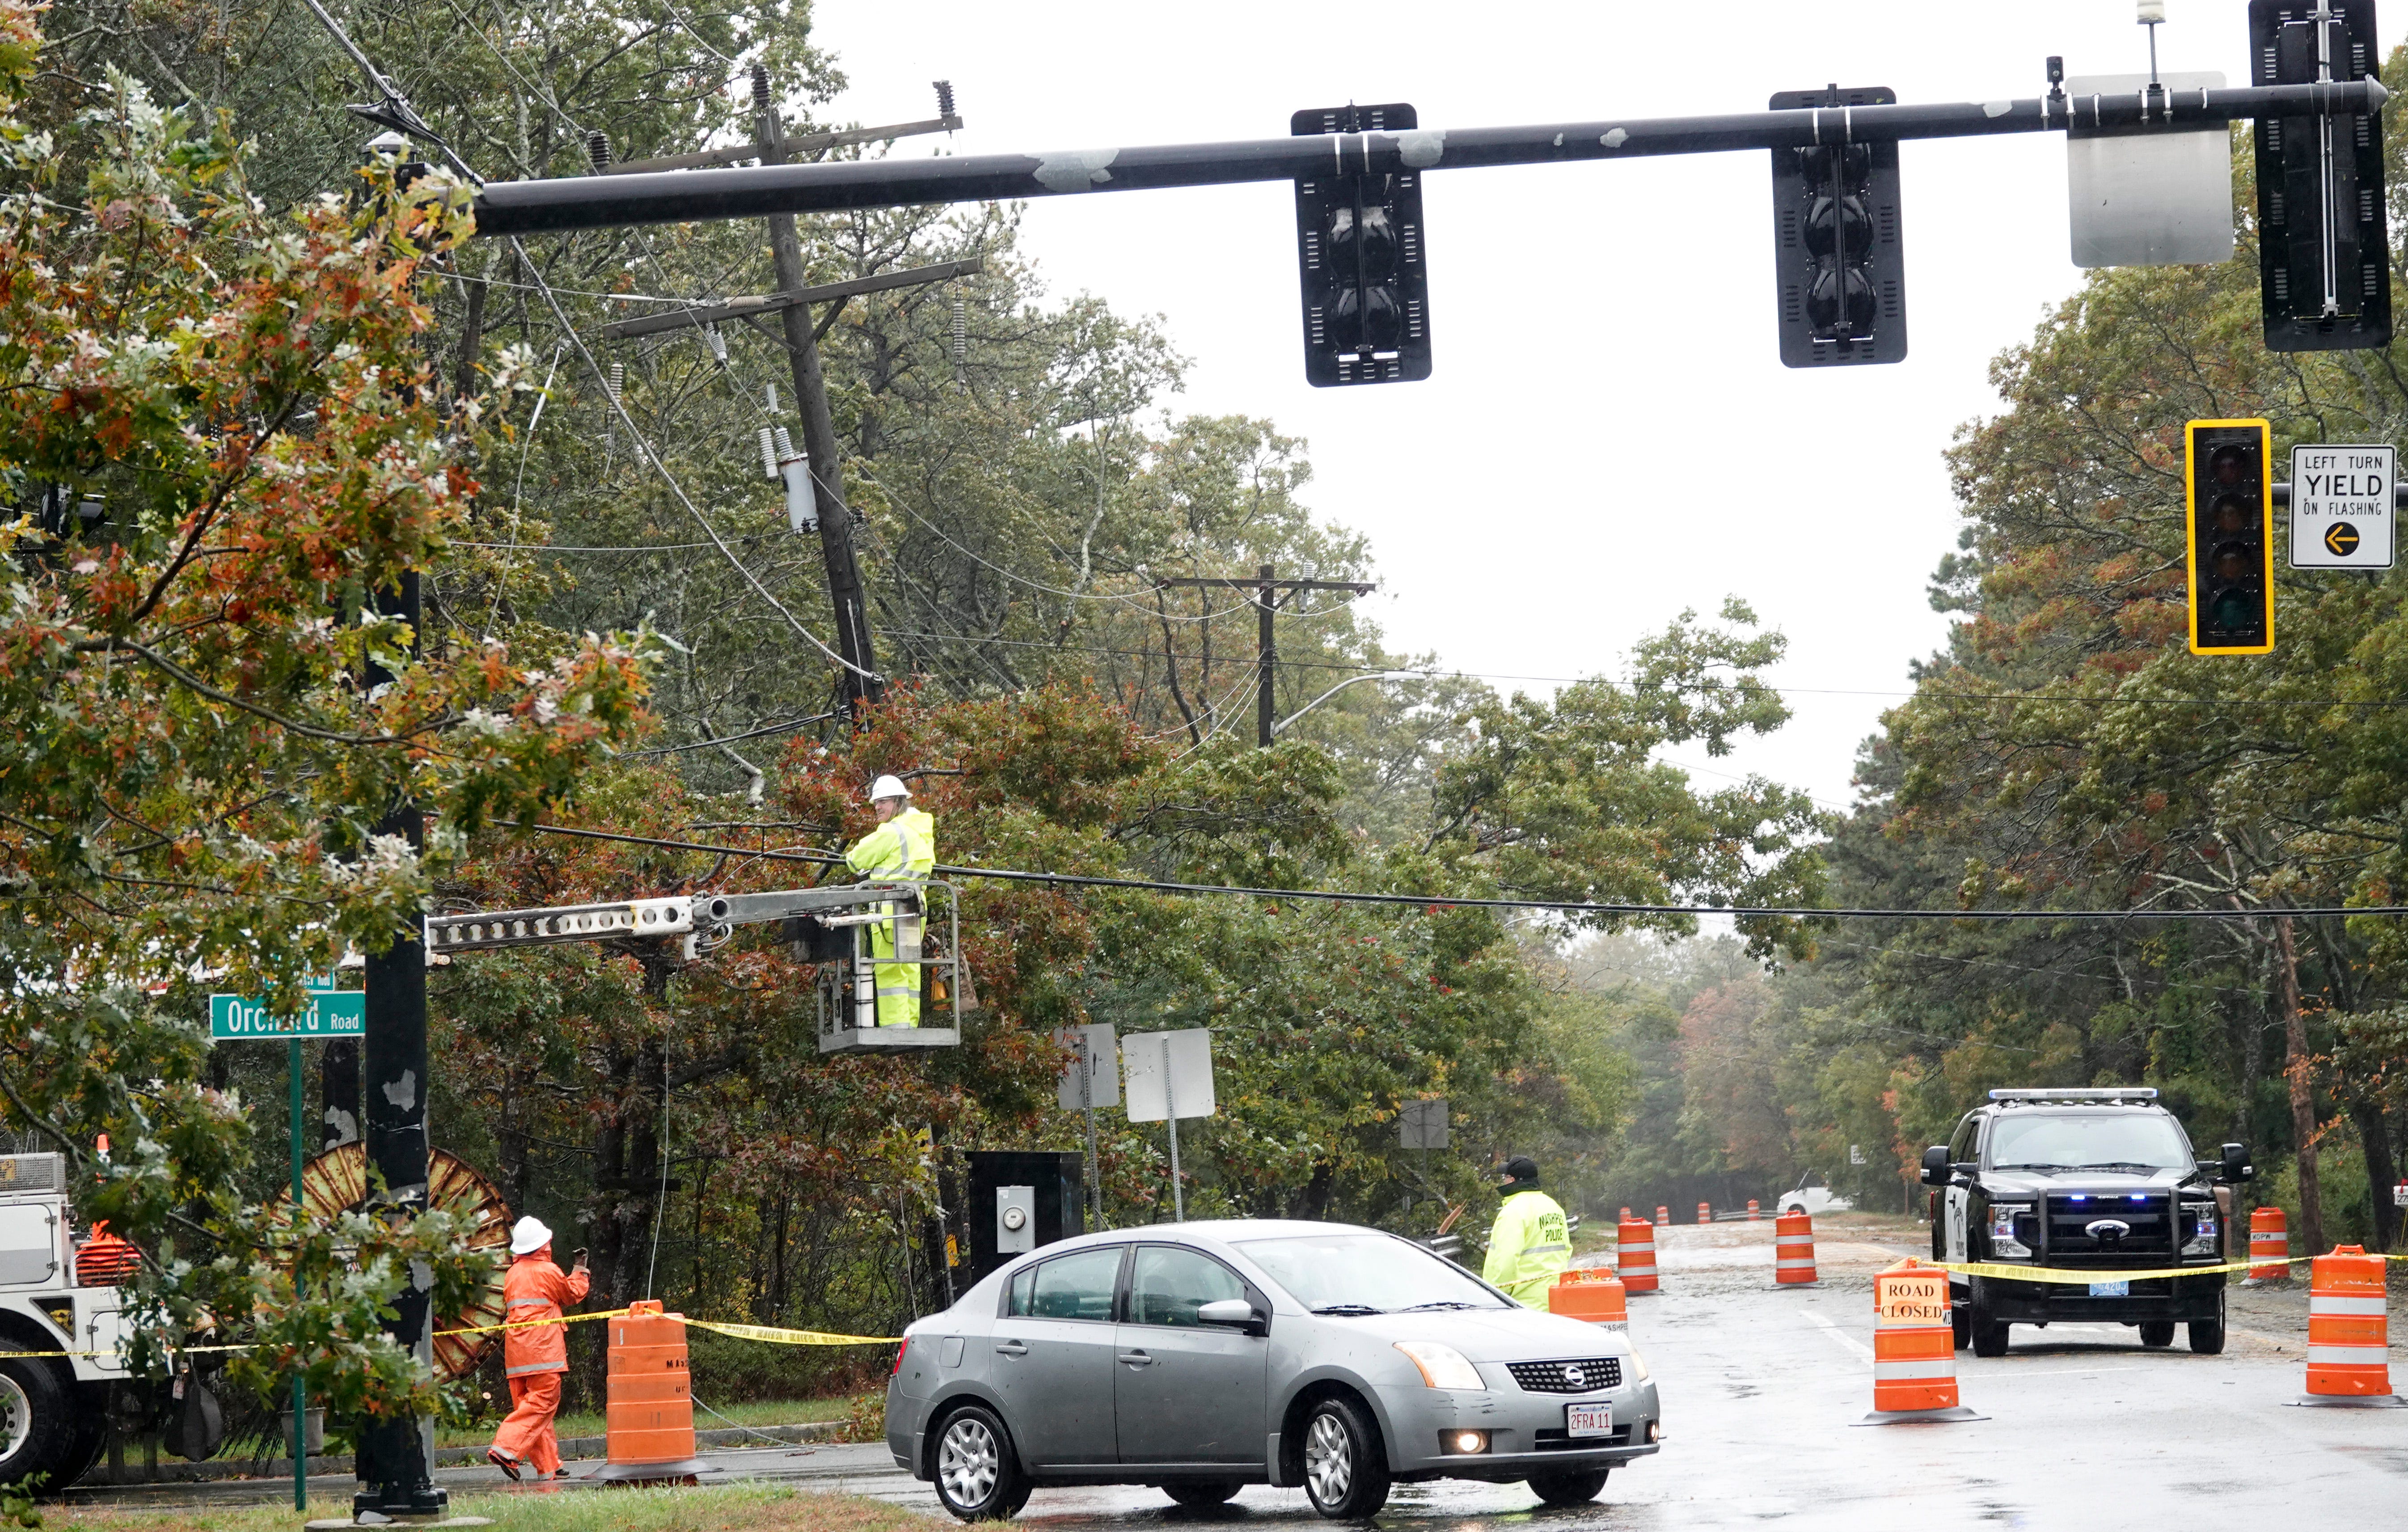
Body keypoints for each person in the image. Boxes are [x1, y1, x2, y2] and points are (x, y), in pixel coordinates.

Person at [487, 1216, 588, 1482]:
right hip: (543, 1352)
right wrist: (580, 1270)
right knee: (542, 1404)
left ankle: (549, 1467)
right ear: (542, 1245)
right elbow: (571, 1295)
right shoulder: (548, 1270)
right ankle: (506, 1449)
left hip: (517, 1355)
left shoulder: (512, 1274)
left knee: (533, 1410)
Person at [843, 774, 936, 1028]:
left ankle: (896, 1027)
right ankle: (910, 1024)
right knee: (909, 967)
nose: (878, 808)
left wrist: (854, 859)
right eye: (876, 804)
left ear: (898, 802)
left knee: (888, 968)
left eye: (883, 802)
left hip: (889, 911)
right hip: (914, 908)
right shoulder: (920, 830)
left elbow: (856, 860)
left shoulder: (891, 832)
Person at [1482, 1156, 1572, 1307]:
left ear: (1512, 1180)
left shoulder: (1513, 1212)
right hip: (1555, 1300)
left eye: (1505, 1177)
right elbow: (1567, 1250)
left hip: (1523, 1304)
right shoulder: (1554, 1208)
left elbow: (1506, 1261)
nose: (1503, 1181)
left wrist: (1500, 1296)